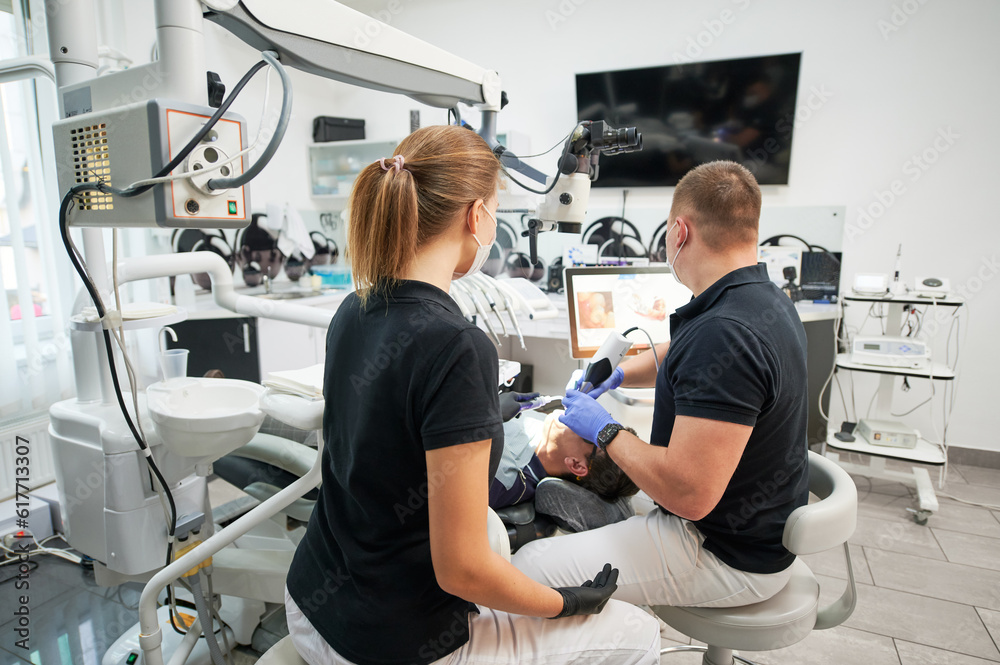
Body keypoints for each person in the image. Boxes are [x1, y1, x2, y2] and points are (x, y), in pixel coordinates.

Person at [284, 126, 661, 665]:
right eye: (497, 208)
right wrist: (564, 603)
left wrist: (475, 415)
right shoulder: (458, 346)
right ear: (476, 216)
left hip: (309, 604)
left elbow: (390, 443)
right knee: (639, 632)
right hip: (387, 645)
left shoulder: (354, 308)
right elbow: (461, 570)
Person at [514, 160, 810, 610]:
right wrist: (618, 374)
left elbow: (689, 496)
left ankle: (621, 638)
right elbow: (684, 355)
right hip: (753, 529)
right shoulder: (762, 301)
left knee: (527, 567)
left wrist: (605, 431)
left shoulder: (725, 332)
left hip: (720, 552)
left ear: (679, 231)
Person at [490, 409, 639, 510]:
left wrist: (489, 413)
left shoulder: (503, 477)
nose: (585, 415)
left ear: (576, 465)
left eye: (592, 430)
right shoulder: (547, 426)